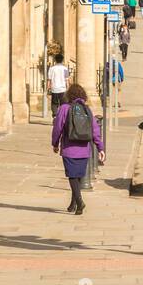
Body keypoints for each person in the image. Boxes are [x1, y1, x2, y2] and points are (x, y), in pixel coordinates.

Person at [52, 83, 103, 215]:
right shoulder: (86, 109)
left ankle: (80, 202)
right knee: (78, 176)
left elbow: (58, 127)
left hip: (69, 148)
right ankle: (73, 204)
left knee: (72, 176)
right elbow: (95, 129)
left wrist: (55, 143)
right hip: (84, 149)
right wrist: (100, 147)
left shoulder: (64, 108)